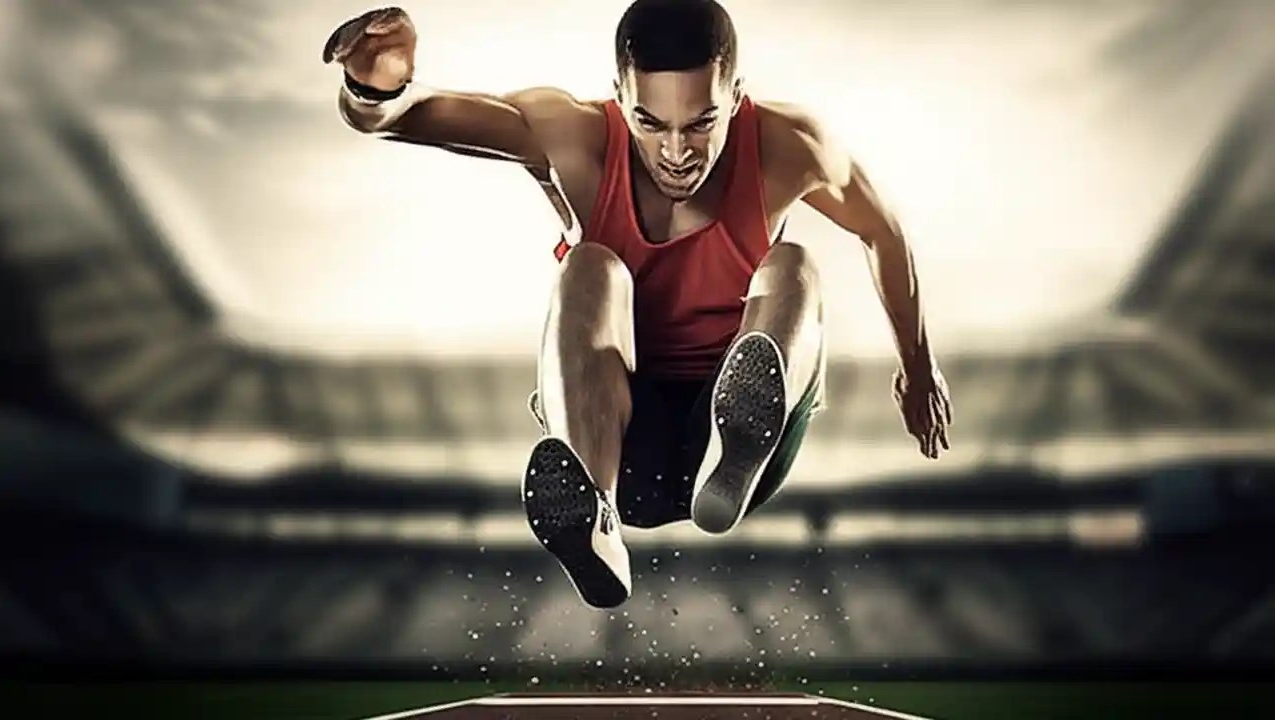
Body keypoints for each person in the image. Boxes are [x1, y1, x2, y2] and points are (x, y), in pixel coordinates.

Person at [324, 0, 952, 609]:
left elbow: (882, 229)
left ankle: (734, 449)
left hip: (742, 444)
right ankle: (592, 518)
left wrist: (917, 368)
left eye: (701, 123)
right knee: (588, 268)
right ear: (620, 99)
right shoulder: (572, 137)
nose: (677, 152)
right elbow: (409, 116)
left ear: (736, 98)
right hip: (620, 442)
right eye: (651, 124)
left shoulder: (791, 145)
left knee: (794, 266)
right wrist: (375, 87)